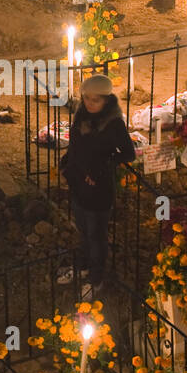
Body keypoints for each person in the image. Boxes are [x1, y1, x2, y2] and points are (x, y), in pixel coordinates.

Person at [57, 74, 135, 294]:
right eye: (87, 98)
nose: (90, 104)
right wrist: (66, 165)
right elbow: (76, 145)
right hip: (78, 182)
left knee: (96, 234)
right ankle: (83, 266)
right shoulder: (81, 115)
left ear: (106, 100)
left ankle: (96, 277)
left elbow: (128, 154)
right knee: (83, 229)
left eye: (95, 100)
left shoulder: (114, 124)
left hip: (98, 188)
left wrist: (102, 166)